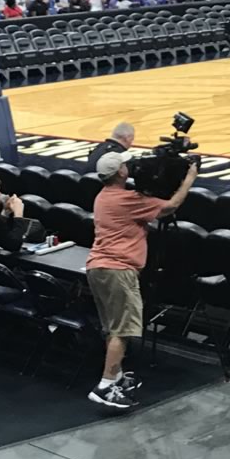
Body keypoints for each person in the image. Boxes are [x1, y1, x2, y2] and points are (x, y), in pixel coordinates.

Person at [86, 150, 196, 410]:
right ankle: (106, 385)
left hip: (99, 267)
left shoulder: (104, 196)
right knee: (122, 330)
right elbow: (170, 206)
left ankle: (118, 376)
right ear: (121, 172)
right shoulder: (127, 200)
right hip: (118, 270)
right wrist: (189, 177)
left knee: (114, 328)